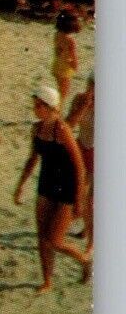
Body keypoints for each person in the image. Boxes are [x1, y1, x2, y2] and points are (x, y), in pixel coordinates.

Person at [14, 86, 91, 292]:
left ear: (50, 107)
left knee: (55, 240)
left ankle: (83, 259)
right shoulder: (37, 129)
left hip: (66, 188)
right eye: (35, 104)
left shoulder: (62, 130)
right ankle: (47, 281)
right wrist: (20, 185)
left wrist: (78, 199)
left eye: (39, 105)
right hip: (46, 185)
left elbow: (79, 166)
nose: (35, 109)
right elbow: (32, 158)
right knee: (42, 238)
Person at [66, 73, 94, 252]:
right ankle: (86, 229)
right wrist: (83, 107)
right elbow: (69, 125)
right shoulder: (79, 99)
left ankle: (91, 241)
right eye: (91, 84)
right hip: (81, 147)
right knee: (77, 192)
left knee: (90, 199)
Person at [52, 10, 81, 101]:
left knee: (60, 89)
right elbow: (73, 56)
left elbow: (58, 50)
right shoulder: (70, 41)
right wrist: (75, 66)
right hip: (65, 68)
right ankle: (57, 110)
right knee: (63, 94)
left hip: (57, 65)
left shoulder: (57, 34)